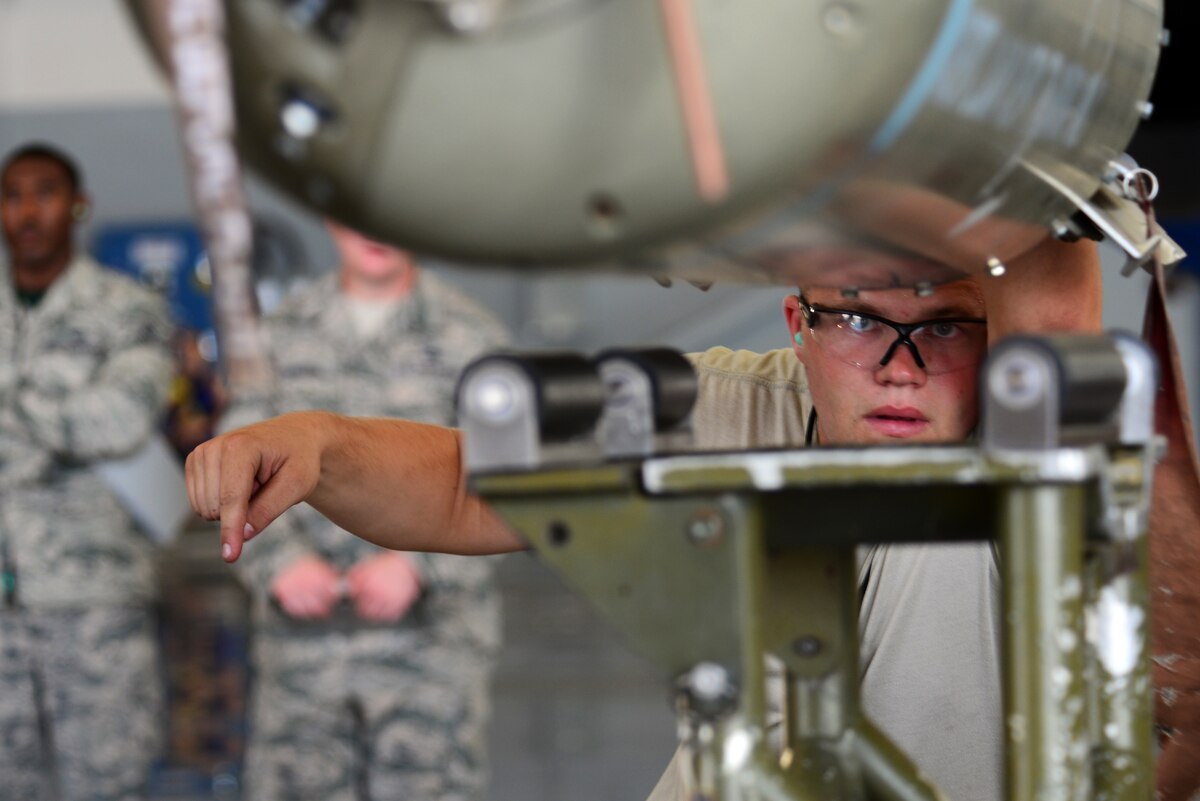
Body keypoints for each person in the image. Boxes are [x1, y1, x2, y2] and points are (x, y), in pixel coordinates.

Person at [186, 235, 1103, 801]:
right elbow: (471, 484)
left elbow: (1054, 304)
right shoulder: (723, 410)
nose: (900, 366)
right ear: (798, 321)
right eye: (859, 323)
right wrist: (319, 443)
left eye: (945, 327)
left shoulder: (1036, 444)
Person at [217, 221, 510, 801]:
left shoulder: (473, 338)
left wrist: (416, 567)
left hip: (430, 653)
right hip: (305, 654)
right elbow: (237, 456)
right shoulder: (276, 337)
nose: (374, 232)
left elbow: (509, 478)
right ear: (328, 217)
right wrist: (280, 562)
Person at [0, 143, 175, 799]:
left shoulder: (125, 310)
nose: (27, 211)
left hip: (94, 601)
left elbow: (121, 419)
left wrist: (11, 407)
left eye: (44, 193)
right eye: (12, 196)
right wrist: (60, 415)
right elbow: (87, 418)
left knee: (107, 784)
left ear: (77, 205)